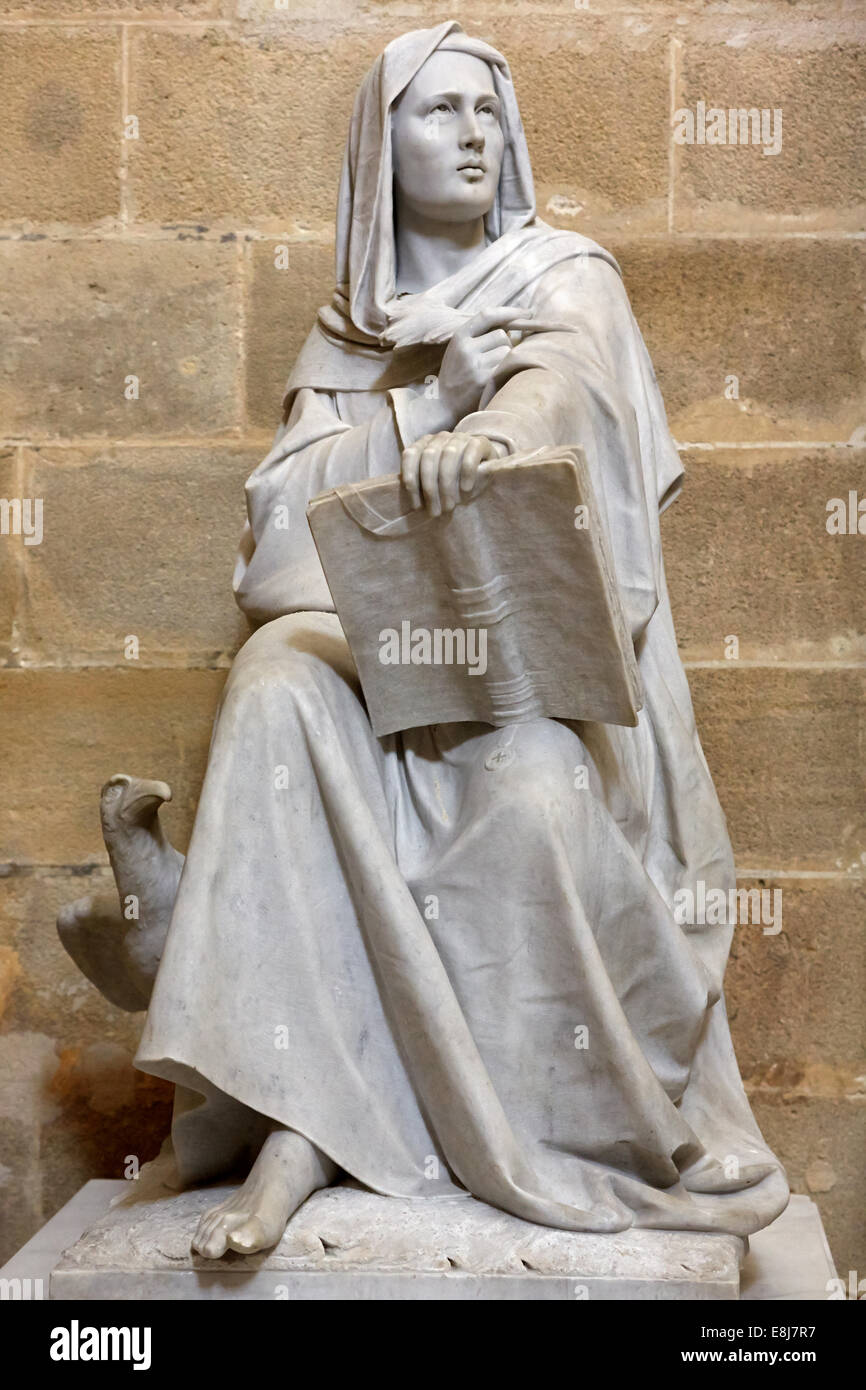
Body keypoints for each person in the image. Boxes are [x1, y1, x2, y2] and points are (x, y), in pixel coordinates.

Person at [136, 21, 788, 1258]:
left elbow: (565, 394)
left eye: (486, 112)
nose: (473, 134)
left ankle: (554, 1128)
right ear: (383, 147)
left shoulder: (564, 277)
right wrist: (422, 402)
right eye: (438, 113)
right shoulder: (349, 327)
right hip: (377, 657)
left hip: (531, 678)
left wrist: (487, 435)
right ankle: (300, 1110)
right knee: (274, 680)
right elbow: (276, 549)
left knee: (532, 788)